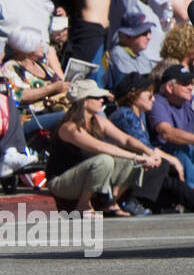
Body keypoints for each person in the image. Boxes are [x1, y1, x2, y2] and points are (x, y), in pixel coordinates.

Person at [44, 80, 154, 216]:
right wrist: (138, 157)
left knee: (131, 161)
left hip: (84, 178)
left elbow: (126, 140)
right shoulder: (70, 127)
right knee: (105, 160)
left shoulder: (98, 121)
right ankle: (83, 205)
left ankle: (111, 202)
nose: (102, 100)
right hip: (61, 182)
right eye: (96, 97)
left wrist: (149, 153)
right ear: (84, 101)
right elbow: (99, 147)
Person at [107, 72, 194, 213]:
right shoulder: (125, 115)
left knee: (164, 172)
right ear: (134, 95)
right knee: (161, 162)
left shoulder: (140, 115)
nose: (153, 100)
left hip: (136, 163)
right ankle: (136, 202)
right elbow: (143, 146)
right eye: (149, 95)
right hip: (122, 164)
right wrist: (172, 159)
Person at [2, 26, 69, 138]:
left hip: (56, 109)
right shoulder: (11, 67)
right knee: (72, 117)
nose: (43, 46)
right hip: (32, 116)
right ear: (27, 47)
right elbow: (19, 95)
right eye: (39, 43)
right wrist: (52, 88)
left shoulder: (42, 66)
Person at [107, 12, 157, 86]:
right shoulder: (118, 54)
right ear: (128, 36)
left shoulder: (140, 54)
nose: (149, 37)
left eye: (150, 32)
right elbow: (133, 86)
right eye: (144, 33)